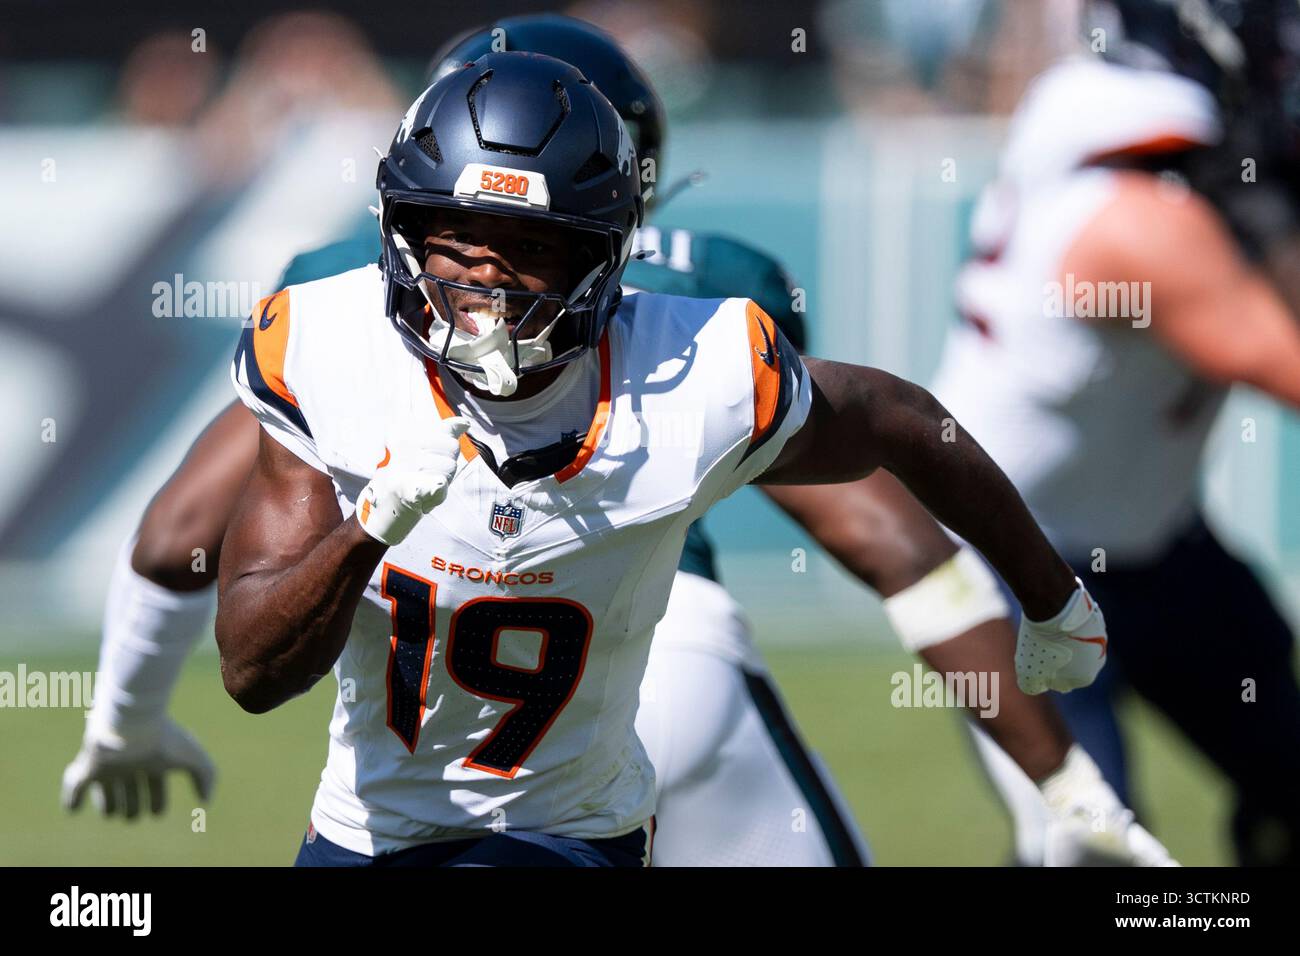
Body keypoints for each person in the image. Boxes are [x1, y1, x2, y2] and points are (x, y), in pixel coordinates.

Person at [64, 15, 1165, 867]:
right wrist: (1059, 756)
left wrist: (1051, 600)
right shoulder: (329, 336)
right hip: (387, 816)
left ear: (604, 246)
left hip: (597, 766)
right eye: (457, 245)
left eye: (525, 250)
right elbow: (251, 661)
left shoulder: (696, 366)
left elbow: (894, 431)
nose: (483, 288)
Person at [932, 0, 1300, 865]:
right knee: (1095, 847)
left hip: (1153, 543)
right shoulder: (1136, 212)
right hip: (1016, 563)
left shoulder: (1141, 143)